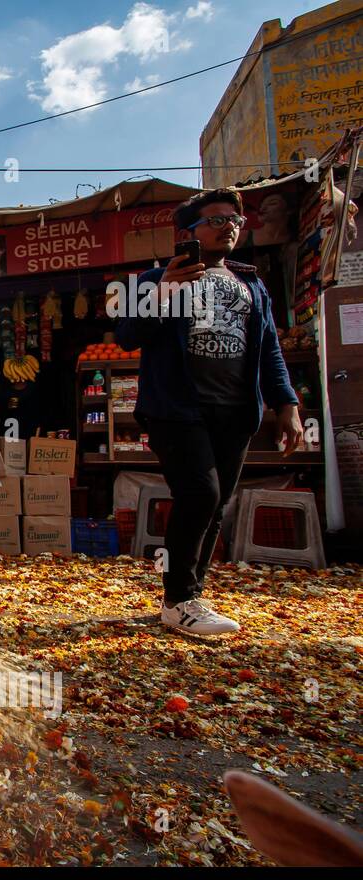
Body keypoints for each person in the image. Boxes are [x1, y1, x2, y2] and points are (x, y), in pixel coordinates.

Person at [117, 187, 302, 637]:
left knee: (215, 502)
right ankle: (178, 599)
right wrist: (164, 292)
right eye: (217, 221)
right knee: (200, 494)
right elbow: (126, 334)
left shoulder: (251, 283)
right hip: (177, 409)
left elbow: (269, 352)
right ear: (189, 232)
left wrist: (287, 403)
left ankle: (190, 595)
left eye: (235, 221)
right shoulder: (151, 279)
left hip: (235, 411)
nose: (230, 228)